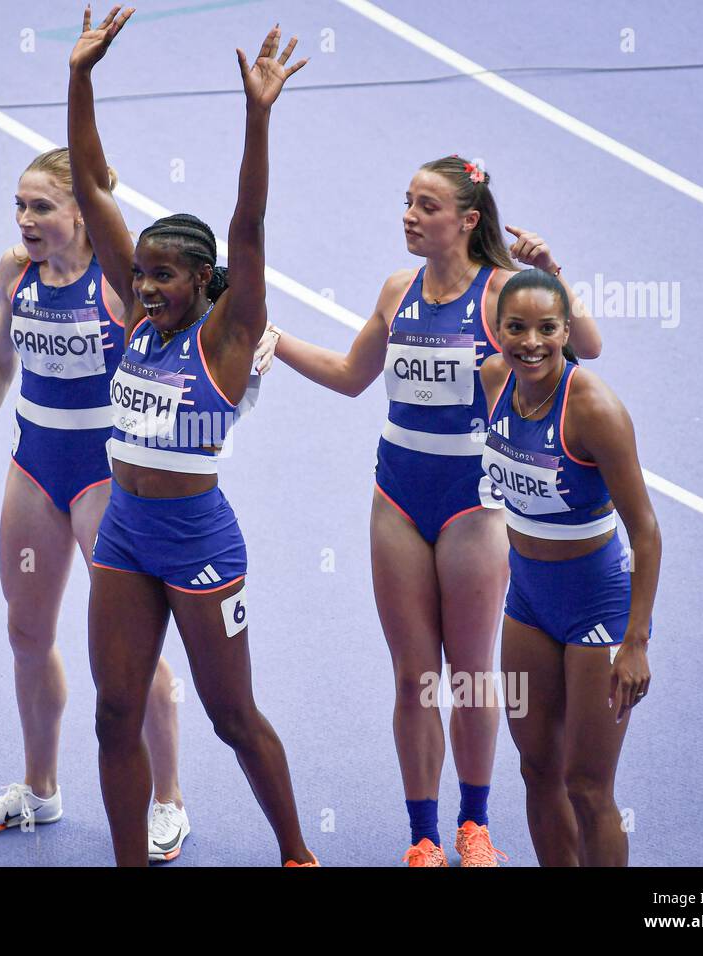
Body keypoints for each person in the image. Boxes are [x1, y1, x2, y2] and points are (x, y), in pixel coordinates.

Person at [256, 157, 602, 865]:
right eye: (407, 202)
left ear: (469, 221)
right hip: (397, 497)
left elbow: (587, 348)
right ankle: (423, 836)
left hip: (473, 504)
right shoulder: (396, 290)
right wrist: (276, 340)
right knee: (415, 674)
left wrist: (555, 272)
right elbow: (354, 377)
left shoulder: (503, 291)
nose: (409, 216)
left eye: (426, 206)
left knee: (470, 670)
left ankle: (475, 825)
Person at [69, 6, 317, 866]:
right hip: (126, 535)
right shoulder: (138, 317)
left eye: (162, 275)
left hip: (199, 540)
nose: (142, 287)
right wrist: (81, 76)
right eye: (137, 273)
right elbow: (94, 190)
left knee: (231, 718)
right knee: (112, 712)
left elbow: (248, 224)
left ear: (202, 280)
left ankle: (295, 852)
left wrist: (257, 114)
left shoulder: (225, 336)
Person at [0, 145, 192, 862]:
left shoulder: (119, 287)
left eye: (42, 206)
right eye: (20, 205)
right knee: (26, 634)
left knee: (129, 653)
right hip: (34, 468)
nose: (24, 219)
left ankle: (168, 799)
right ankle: (40, 787)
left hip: (105, 479)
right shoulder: (14, 275)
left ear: (84, 214)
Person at [479, 268, 659, 866]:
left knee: (587, 787)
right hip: (528, 601)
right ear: (497, 329)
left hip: (598, 609)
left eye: (547, 329)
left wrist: (635, 641)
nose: (531, 342)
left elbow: (647, 532)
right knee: (537, 770)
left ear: (566, 332)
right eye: (517, 327)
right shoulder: (493, 378)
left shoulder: (594, 409)